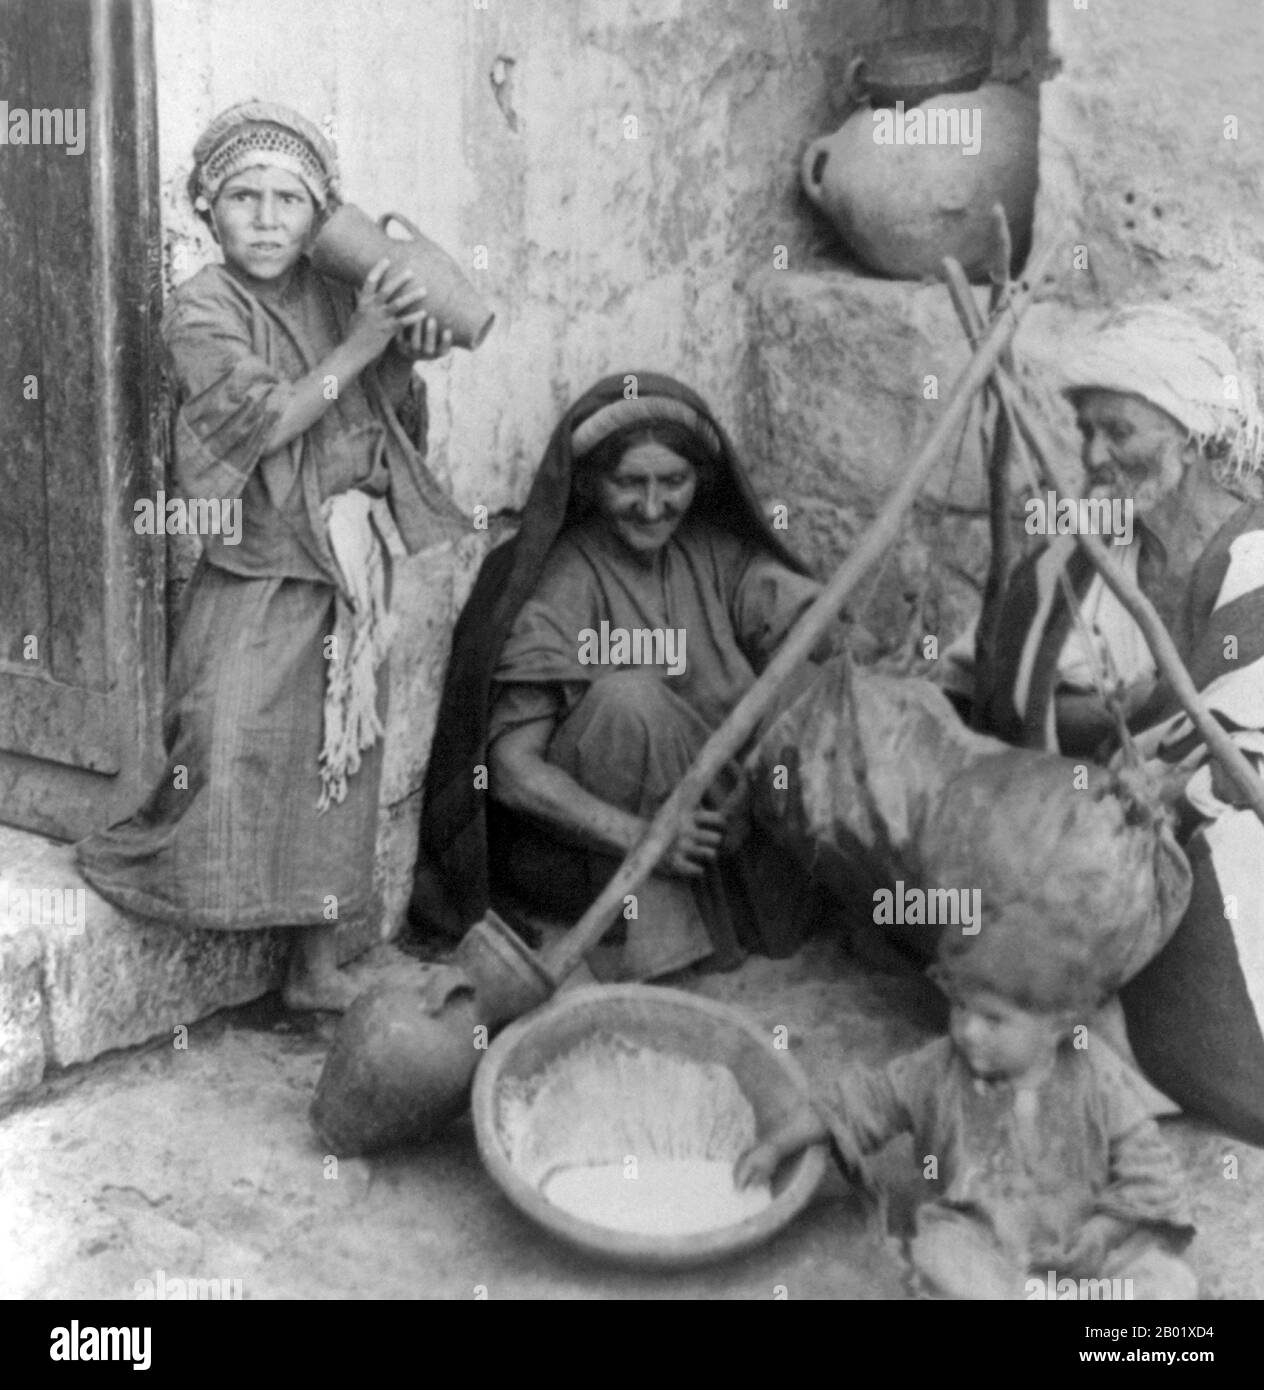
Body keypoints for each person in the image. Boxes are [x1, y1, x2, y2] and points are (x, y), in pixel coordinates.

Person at [76, 100, 466, 1011]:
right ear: (207, 209)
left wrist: (411, 347)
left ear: (319, 214)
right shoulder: (202, 309)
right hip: (256, 561)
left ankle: (317, 967)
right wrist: (367, 342)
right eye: (242, 197)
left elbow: (387, 400)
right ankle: (193, 896)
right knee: (226, 734)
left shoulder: (337, 289)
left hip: (345, 560)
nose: (264, 219)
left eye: (288, 201)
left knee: (338, 756)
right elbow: (269, 417)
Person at [411, 374, 862, 980]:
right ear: (594, 484)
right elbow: (514, 773)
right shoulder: (565, 579)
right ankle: (660, 961)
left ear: (699, 481)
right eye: (629, 482)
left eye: (673, 482)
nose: (653, 507)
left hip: (715, 829)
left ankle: (782, 903)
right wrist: (647, 836)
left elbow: (809, 626)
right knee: (629, 702)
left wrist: (858, 649)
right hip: (598, 848)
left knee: (807, 685)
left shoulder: (715, 553)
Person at [946, 305, 1264, 1141]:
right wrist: (1113, 719)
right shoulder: (1083, 550)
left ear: (1192, 437)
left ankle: (1193, 1058)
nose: (1093, 457)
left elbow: (1246, 746)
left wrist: (1171, 778)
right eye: (1084, 431)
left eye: (1117, 430)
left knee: (1226, 863)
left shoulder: (1256, 557)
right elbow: (1018, 702)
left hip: (1230, 818)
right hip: (1099, 804)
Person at [734, 910, 1198, 1300]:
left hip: (1086, 1262)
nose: (969, 1032)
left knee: (1168, 1282)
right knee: (938, 1250)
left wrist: (1102, 1233)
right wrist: (775, 1146)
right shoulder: (936, 1070)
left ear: (1058, 1026)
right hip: (988, 1252)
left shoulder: (1097, 1077)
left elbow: (1151, 1177)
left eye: (994, 1019)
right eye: (960, 1007)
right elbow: (858, 1102)